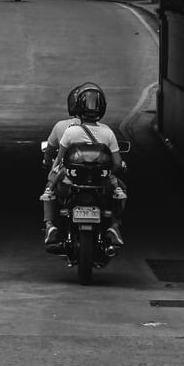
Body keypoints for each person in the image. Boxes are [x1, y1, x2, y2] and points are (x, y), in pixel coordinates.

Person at [39, 81, 126, 251]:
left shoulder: (69, 131)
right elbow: (116, 163)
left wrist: (52, 176)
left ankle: (50, 226)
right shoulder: (108, 132)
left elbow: (59, 159)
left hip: (72, 183)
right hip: (101, 185)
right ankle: (114, 227)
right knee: (122, 189)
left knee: (49, 191)